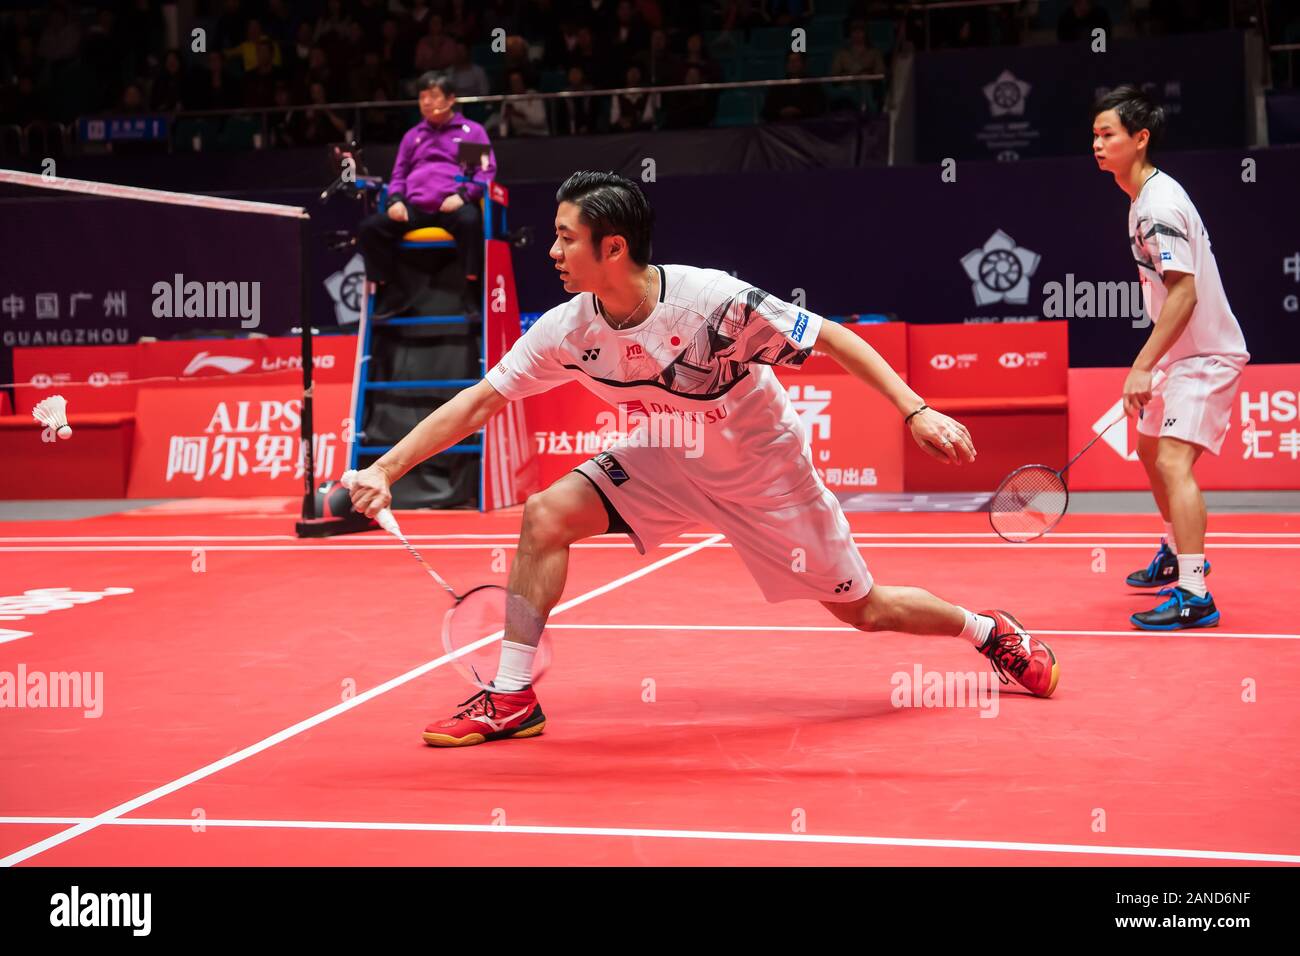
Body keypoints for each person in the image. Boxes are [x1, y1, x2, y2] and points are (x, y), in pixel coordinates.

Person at [346, 171, 1060, 746]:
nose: (554, 252)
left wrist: (915, 408)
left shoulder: (713, 303)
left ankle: (989, 631)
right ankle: (511, 696)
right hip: (664, 457)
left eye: (567, 239)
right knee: (545, 515)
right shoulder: (567, 330)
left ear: (613, 247)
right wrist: (386, 469)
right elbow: (478, 401)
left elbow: (835, 338)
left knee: (865, 612)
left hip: (762, 472)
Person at [1092, 86, 1250, 629]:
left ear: (1140, 140)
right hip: (1180, 355)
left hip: (1205, 354)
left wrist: (1141, 364)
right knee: (1147, 448)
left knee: (1172, 462)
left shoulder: (1158, 204)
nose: (1097, 143)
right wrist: (1155, 364)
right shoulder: (1140, 198)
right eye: (1094, 134)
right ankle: (1174, 548)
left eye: (1107, 134)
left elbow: (1184, 292)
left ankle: (1194, 592)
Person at [356, 71, 497, 318]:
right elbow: (399, 175)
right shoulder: (413, 136)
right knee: (370, 228)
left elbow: (483, 174)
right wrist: (396, 200)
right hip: (415, 208)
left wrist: (463, 196)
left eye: (433, 96)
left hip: (451, 206)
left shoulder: (468, 131)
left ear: (451, 99)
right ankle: (392, 292)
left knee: (470, 220)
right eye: (422, 97)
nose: (426, 102)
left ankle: (471, 292)